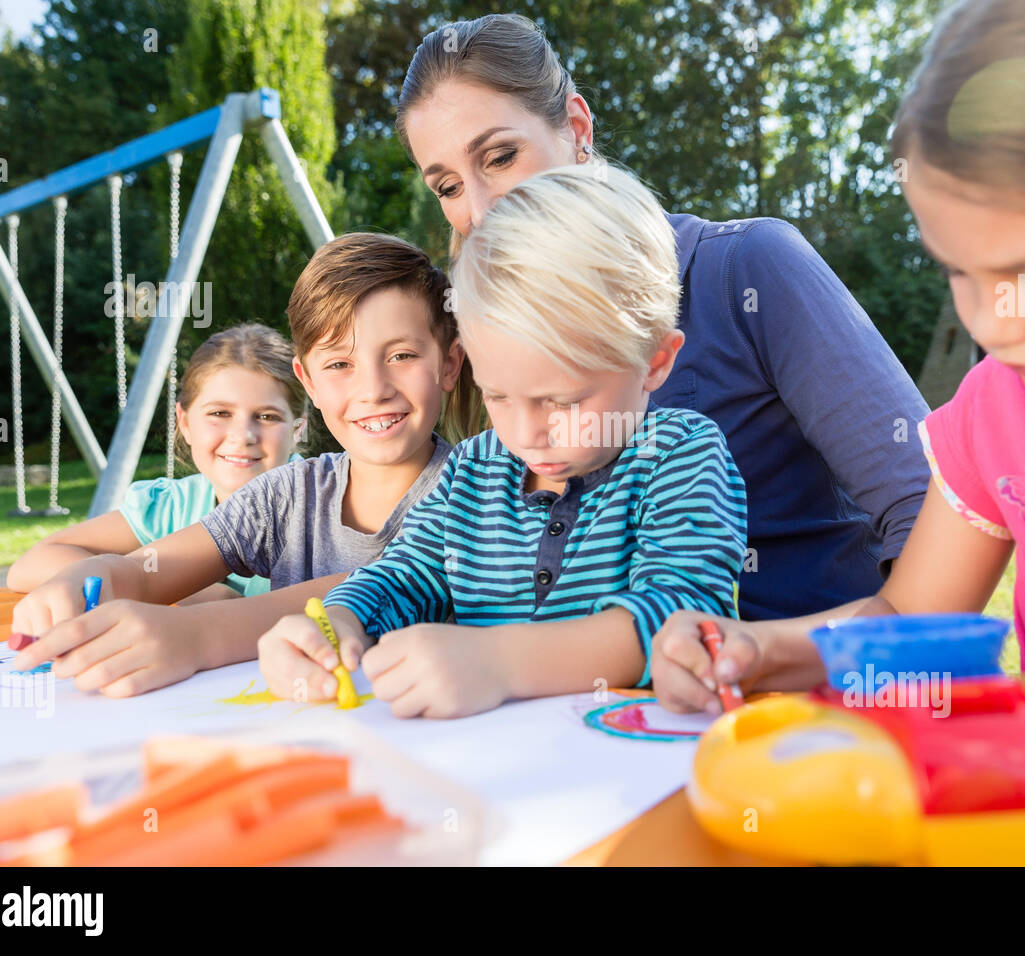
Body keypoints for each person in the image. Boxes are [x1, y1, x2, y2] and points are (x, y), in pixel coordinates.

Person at [648, 0, 1025, 764]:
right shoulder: (999, 409)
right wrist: (758, 652)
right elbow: (908, 621)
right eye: (960, 271)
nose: (992, 325)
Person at [395, 13, 931, 621]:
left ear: (576, 128)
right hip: (608, 706)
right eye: (447, 187)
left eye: (499, 156)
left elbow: (931, 507)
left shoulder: (746, 268)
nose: (480, 210)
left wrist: (816, 661)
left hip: (806, 690)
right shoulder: (488, 326)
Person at [258, 165, 748, 718]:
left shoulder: (679, 454)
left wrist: (498, 662)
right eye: (499, 396)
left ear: (655, 360)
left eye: (563, 403)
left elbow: (679, 618)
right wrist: (331, 624)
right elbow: (400, 575)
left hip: (630, 774)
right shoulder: (472, 469)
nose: (525, 433)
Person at [9, 233, 480, 695]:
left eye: (401, 355)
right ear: (308, 382)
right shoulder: (286, 494)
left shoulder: (478, 491)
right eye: (339, 364)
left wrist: (192, 633)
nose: (374, 388)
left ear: (449, 364)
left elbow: (369, 586)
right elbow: (147, 570)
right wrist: (91, 578)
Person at [7, 324, 304, 599]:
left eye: (267, 417)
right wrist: (189, 591)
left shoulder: (321, 510)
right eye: (219, 413)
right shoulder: (171, 507)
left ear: (296, 430)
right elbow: (30, 566)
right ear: (184, 423)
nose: (242, 436)